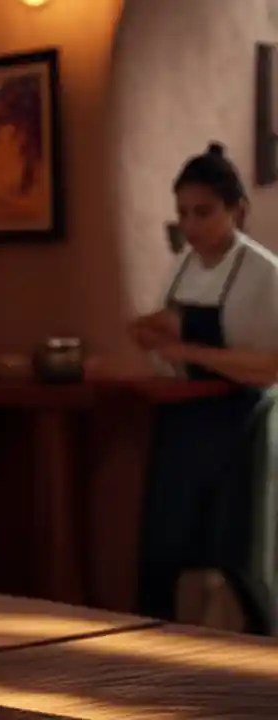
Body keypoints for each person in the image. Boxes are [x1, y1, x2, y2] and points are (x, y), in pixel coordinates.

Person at [130, 142, 278, 634]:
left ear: (236, 208)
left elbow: (270, 366)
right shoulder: (182, 266)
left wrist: (192, 352)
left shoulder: (264, 273)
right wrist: (150, 330)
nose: (191, 226)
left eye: (203, 212)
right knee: (162, 550)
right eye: (183, 214)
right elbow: (164, 330)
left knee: (238, 558)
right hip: (182, 422)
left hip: (242, 424)